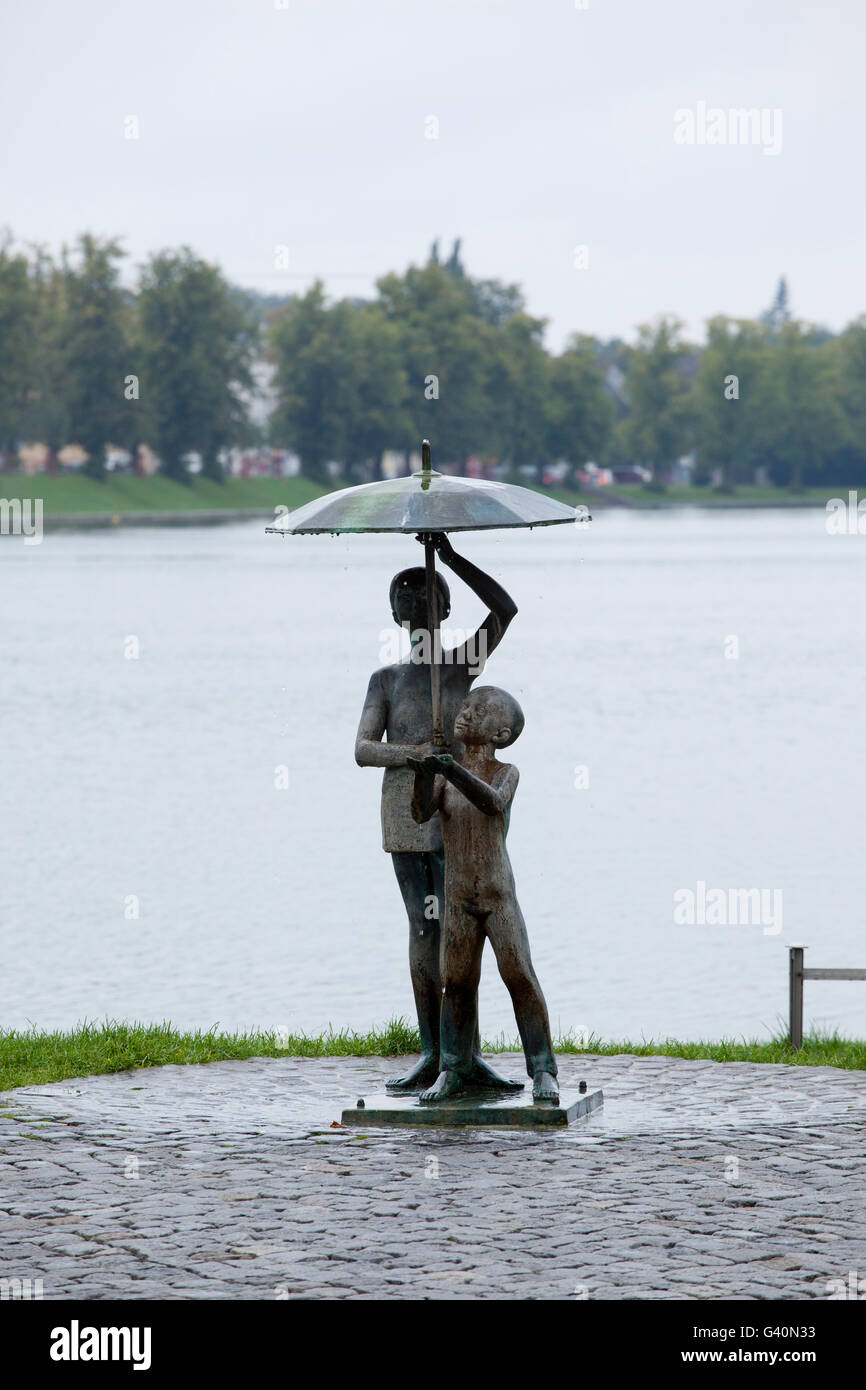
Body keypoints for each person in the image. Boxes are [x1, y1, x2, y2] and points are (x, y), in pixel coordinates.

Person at [355, 533, 521, 1092]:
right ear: (396, 615)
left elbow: (505, 609)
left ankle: (465, 1055)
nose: (419, 610)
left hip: (457, 817)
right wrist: (414, 756)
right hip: (406, 816)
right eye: (409, 600)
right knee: (423, 927)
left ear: (447, 609)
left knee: (463, 932)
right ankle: (433, 1052)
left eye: (429, 598)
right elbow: (362, 749)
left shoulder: (459, 670)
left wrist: (451, 558)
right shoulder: (386, 680)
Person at [408, 686, 559, 1104]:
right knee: (456, 982)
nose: (467, 713)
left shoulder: (506, 771)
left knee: (519, 976)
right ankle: (452, 1068)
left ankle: (544, 1069)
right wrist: (423, 773)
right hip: (457, 897)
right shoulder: (446, 771)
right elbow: (421, 813)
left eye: (480, 711)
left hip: (497, 897)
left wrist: (451, 771)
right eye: (467, 704)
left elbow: (492, 803)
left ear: (502, 733)